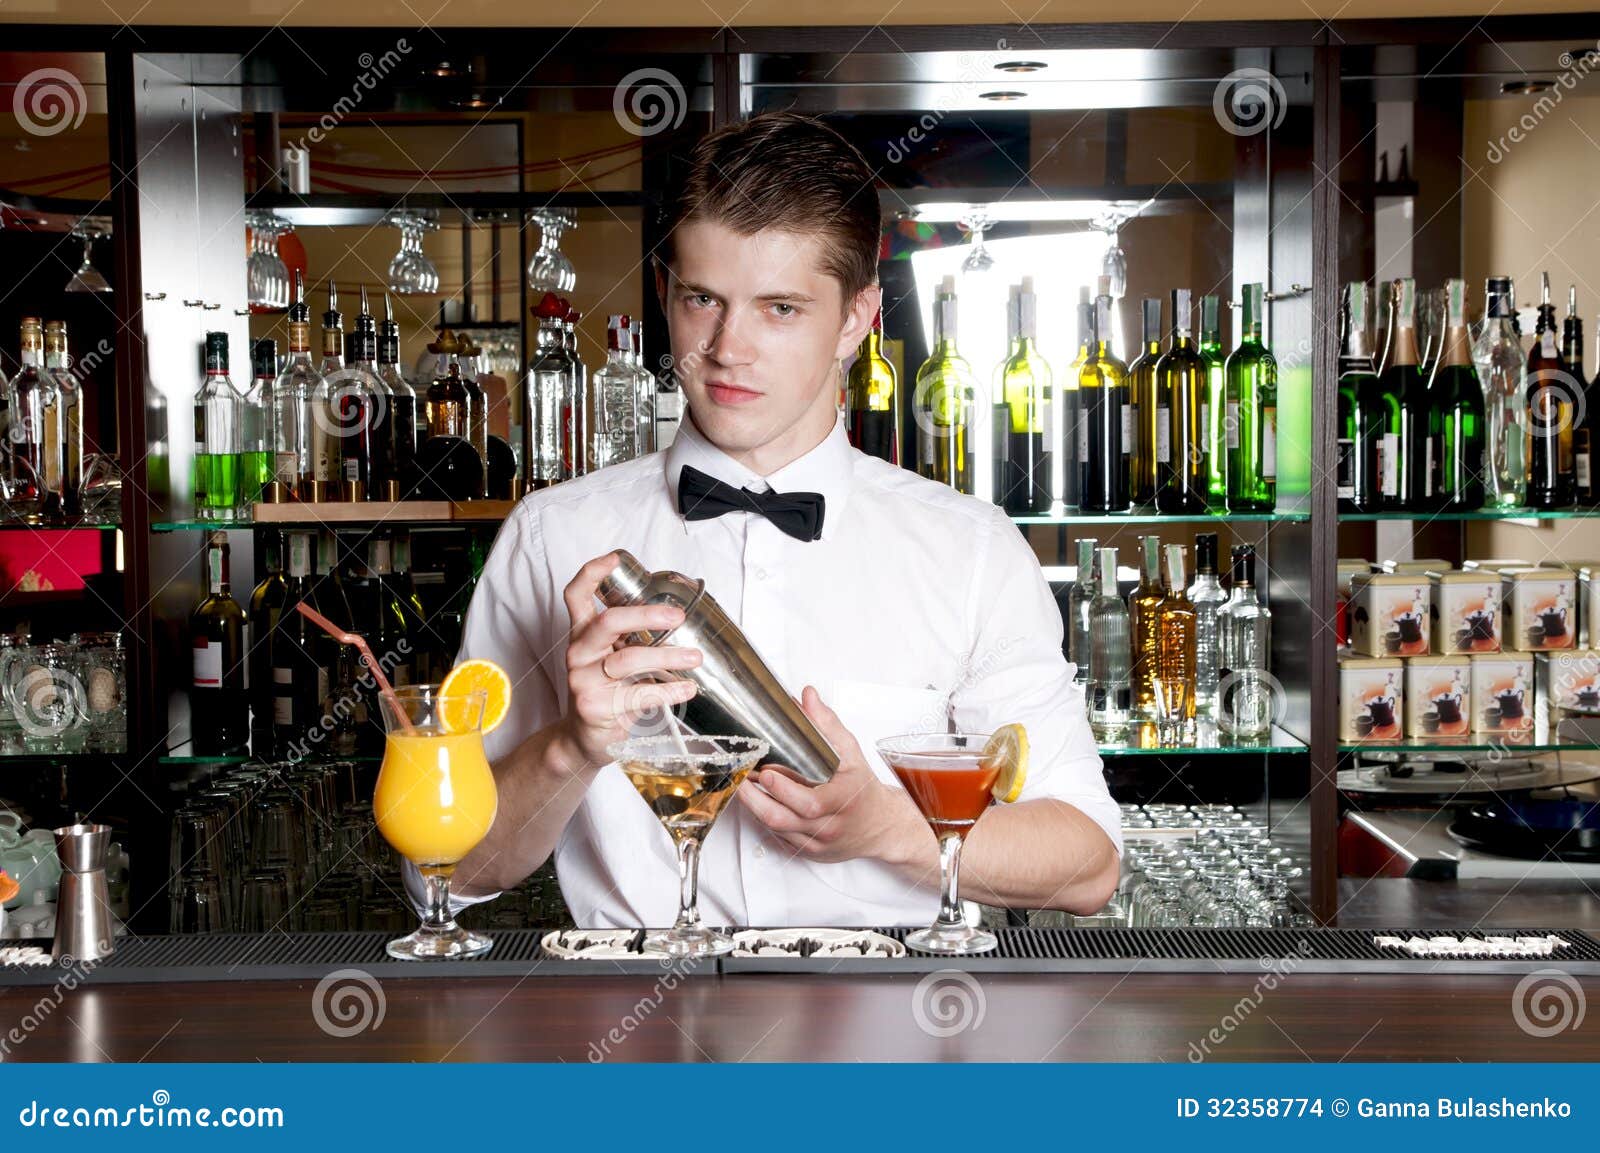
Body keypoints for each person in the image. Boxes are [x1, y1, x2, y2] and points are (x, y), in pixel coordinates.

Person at [411, 111, 1120, 928]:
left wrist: (889, 828)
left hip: (898, 1005)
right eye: (702, 299)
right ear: (665, 293)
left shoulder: (972, 550)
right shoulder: (550, 538)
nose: (727, 348)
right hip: (634, 1006)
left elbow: (1087, 863)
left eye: (780, 308)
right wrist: (571, 746)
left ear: (856, 318)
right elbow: (445, 874)